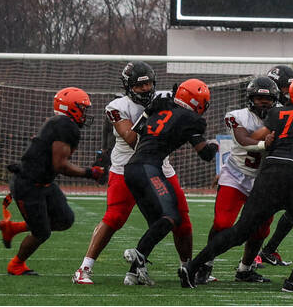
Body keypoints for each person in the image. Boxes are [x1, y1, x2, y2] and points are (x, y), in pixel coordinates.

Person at [179, 75, 293, 293]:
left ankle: (193, 266)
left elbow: (256, 137)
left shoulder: (278, 113)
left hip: (269, 174)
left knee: (240, 231)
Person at [73, 61, 199, 285]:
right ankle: (84, 268)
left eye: (149, 84)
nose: (146, 89)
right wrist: (151, 113)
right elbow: (133, 140)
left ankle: (187, 268)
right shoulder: (117, 106)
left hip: (161, 167)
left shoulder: (165, 98)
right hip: (126, 168)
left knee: (181, 219)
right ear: (128, 86)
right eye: (140, 85)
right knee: (115, 218)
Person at [119, 79, 219, 286]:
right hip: (149, 168)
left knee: (157, 221)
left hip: (131, 168)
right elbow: (205, 154)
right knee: (172, 216)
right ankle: (138, 254)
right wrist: (215, 146)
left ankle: (133, 273)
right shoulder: (192, 119)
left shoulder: (160, 105)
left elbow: (138, 130)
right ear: (198, 102)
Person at [0, 87, 104, 276]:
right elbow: (60, 166)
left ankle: (14, 228)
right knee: (41, 233)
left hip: (43, 182)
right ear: (70, 108)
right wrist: (90, 173)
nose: (85, 113)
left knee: (65, 220)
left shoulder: (60, 123)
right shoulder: (65, 126)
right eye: (82, 108)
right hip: (28, 184)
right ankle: (15, 265)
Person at [198, 75, 282, 284]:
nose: (264, 103)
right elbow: (244, 140)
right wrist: (266, 144)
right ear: (249, 99)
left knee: (261, 229)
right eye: (258, 98)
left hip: (263, 181)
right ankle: (205, 265)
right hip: (236, 176)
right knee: (222, 223)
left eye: (269, 99)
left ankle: (245, 269)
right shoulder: (237, 116)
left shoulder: (282, 116)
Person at [255, 64, 293, 268]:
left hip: (283, 164)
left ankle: (268, 249)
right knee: (260, 214)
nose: (289, 92)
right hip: (265, 166)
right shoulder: (268, 109)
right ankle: (253, 255)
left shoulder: (285, 108)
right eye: (285, 87)